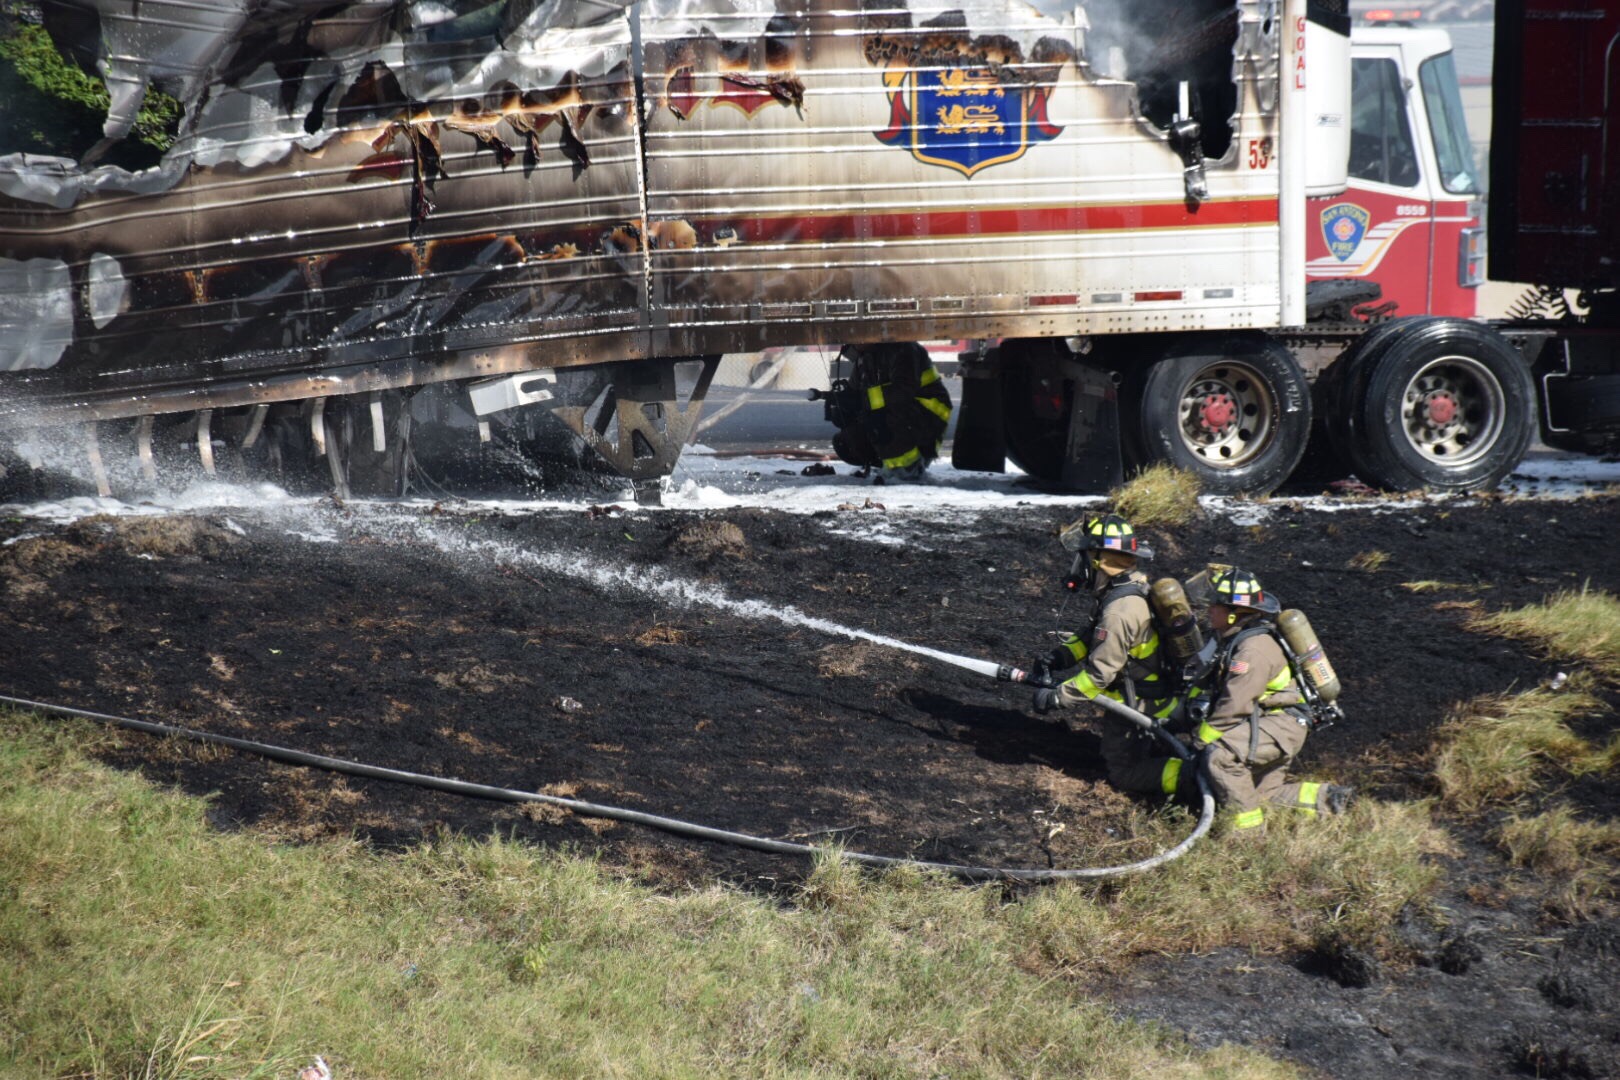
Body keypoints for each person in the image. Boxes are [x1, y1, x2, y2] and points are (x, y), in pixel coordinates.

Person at [1029, 513, 1193, 801]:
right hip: (1149, 696)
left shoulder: (1118, 611)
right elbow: (1090, 637)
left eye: (1082, 557)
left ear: (1097, 560)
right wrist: (1058, 658)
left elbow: (1098, 676)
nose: (1076, 566)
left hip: (1142, 706)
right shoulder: (1123, 590)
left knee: (1124, 774)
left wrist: (1056, 697)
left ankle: (1193, 776)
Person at [1192, 567, 1354, 835]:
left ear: (1234, 613)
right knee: (1258, 793)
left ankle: (1248, 838)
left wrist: (1201, 740)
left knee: (1221, 757)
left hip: (1281, 725)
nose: (1208, 609)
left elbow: (1235, 705)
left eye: (1215, 605)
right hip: (1275, 723)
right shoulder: (1232, 639)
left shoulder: (1252, 650)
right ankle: (1330, 799)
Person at [826, 342, 952, 482]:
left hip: (929, 412)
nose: (853, 342)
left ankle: (908, 468)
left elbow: (903, 390)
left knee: (880, 421)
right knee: (846, 440)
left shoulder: (903, 349)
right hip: (901, 412)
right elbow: (856, 391)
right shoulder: (864, 358)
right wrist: (844, 407)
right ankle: (888, 463)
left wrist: (863, 399)